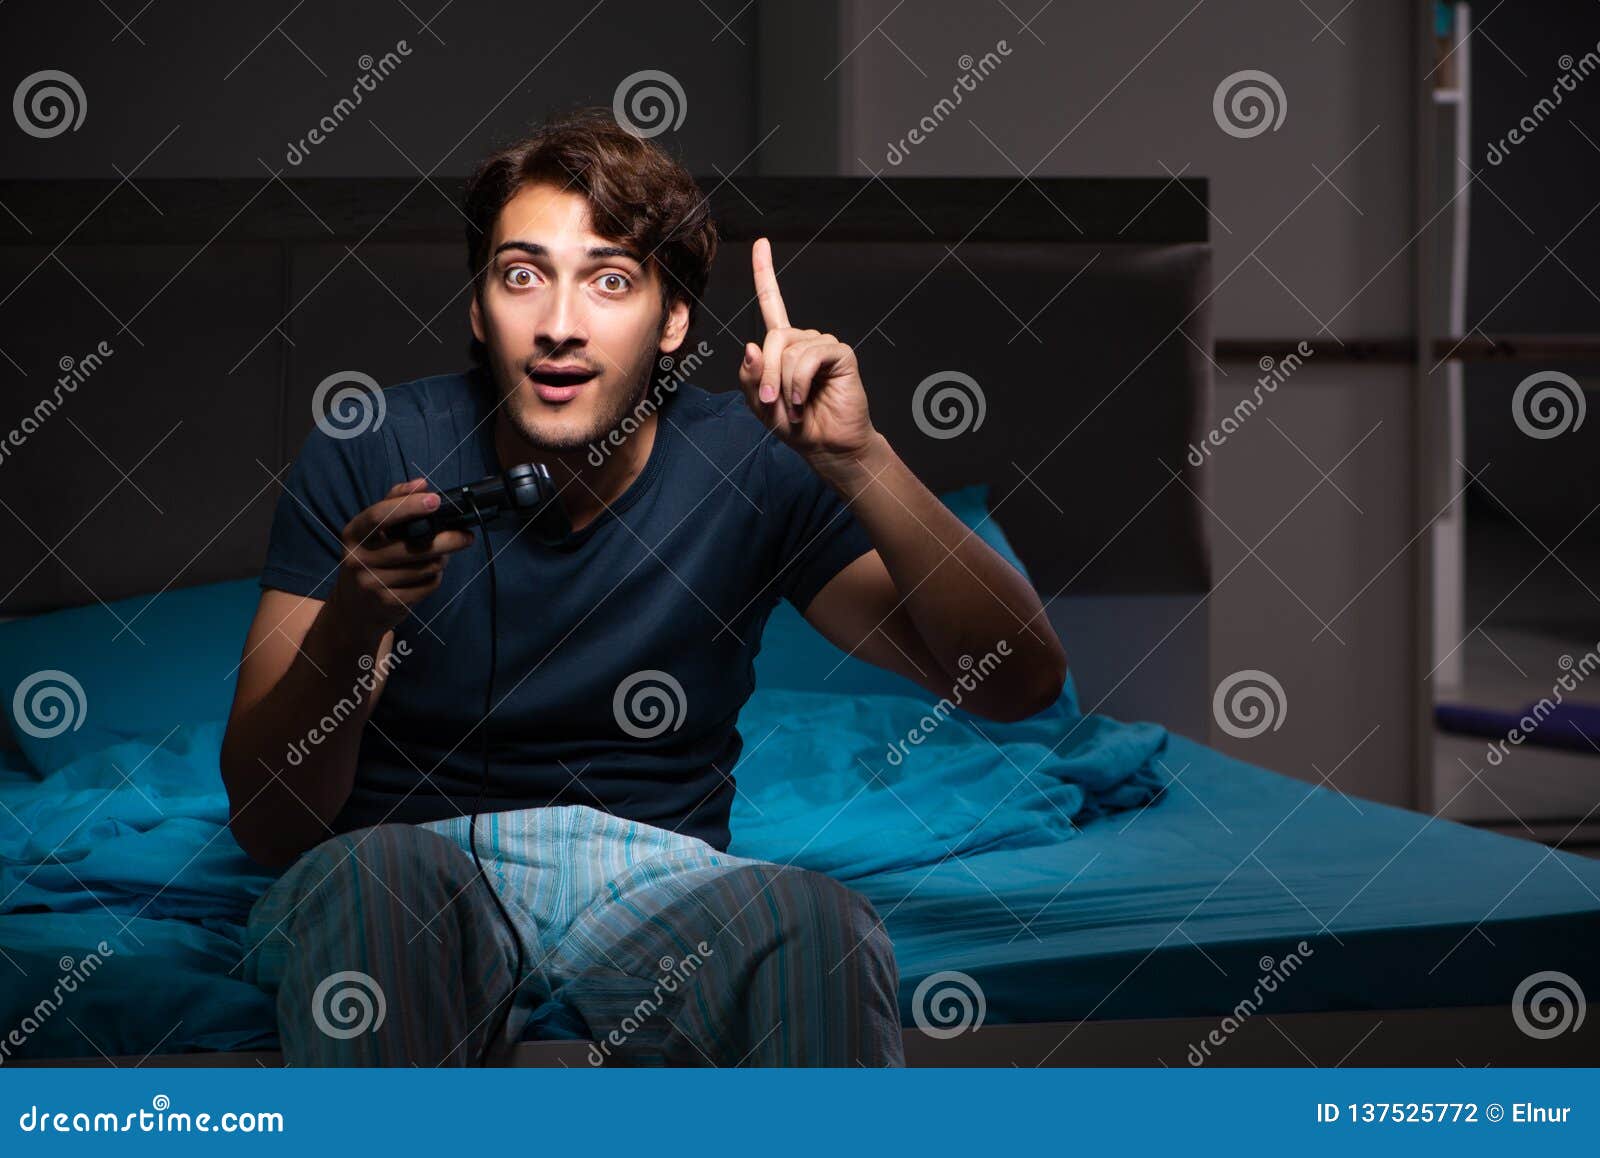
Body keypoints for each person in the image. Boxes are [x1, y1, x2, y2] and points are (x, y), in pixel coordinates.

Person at [220, 107, 1068, 1067]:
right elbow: (268, 824)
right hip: (406, 865)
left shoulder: (754, 466)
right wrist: (352, 626)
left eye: (610, 280)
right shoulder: (371, 449)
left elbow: (1017, 683)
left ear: (673, 321)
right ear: (477, 307)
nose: (559, 325)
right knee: (381, 889)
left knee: (817, 926)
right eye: (522, 275)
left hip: (656, 877)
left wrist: (860, 459)